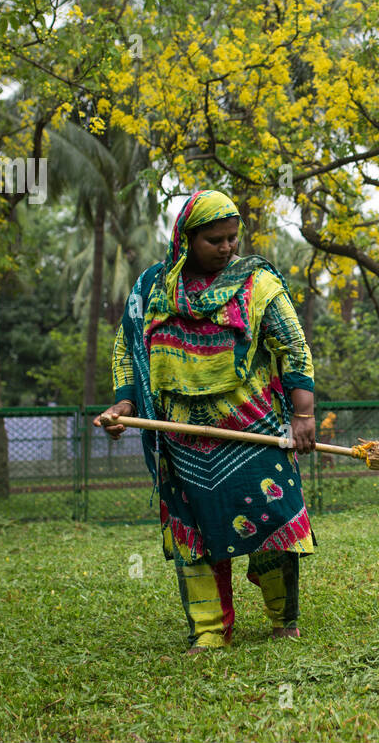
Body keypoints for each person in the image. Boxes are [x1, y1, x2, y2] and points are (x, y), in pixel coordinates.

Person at [95, 190, 317, 651]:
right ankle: (210, 630)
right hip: (180, 441)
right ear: (186, 239)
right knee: (191, 538)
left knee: (272, 522)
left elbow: (293, 347)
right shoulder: (152, 289)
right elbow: (126, 349)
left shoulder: (256, 284)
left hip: (254, 434)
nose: (227, 247)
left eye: (233, 238)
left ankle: (284, 620)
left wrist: (303, 415)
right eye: (215, 239)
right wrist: (123, 406)